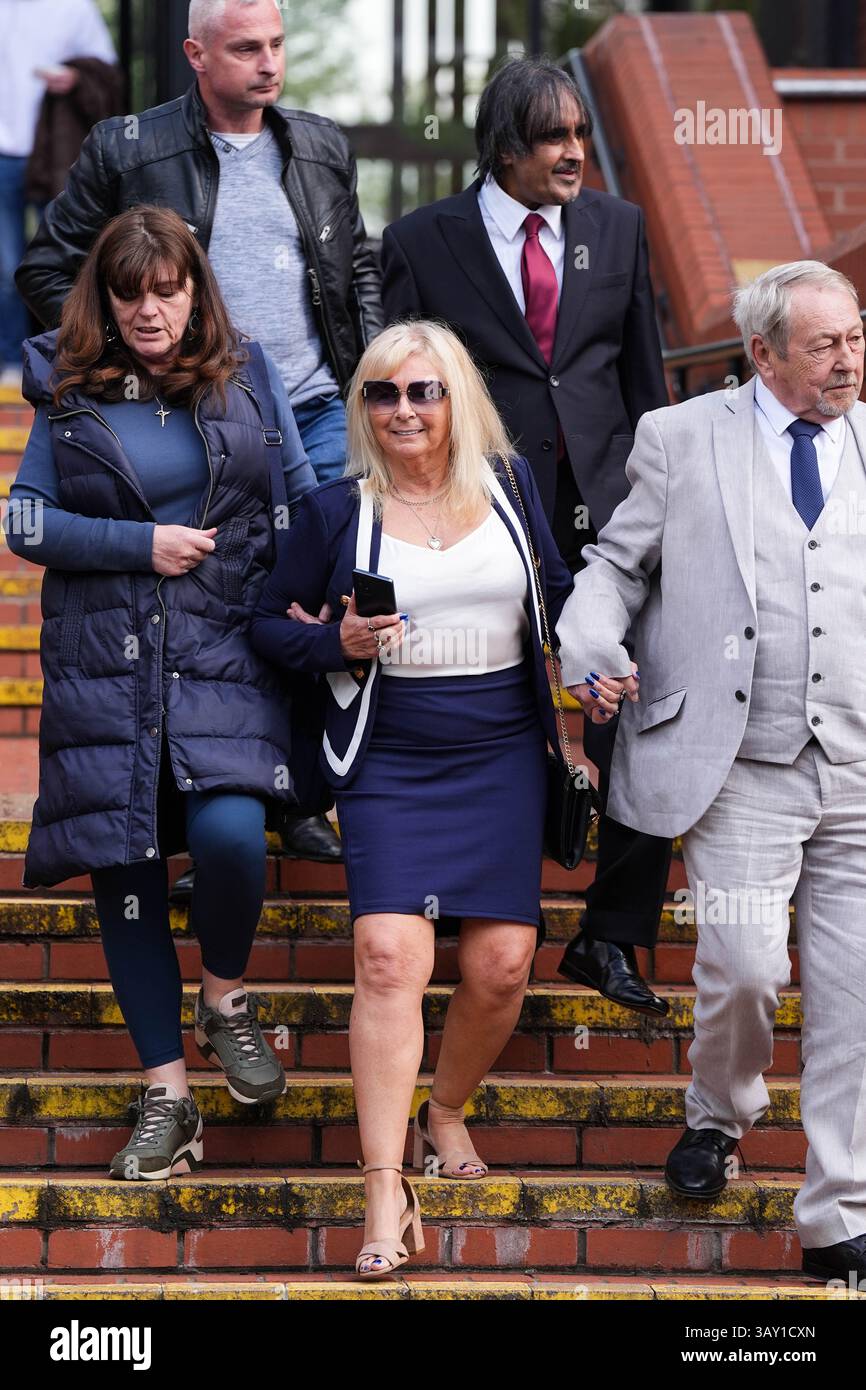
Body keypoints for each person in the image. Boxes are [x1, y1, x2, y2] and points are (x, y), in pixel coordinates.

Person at [555, 260, 866, 1285]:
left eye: (854, 337)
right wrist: (591, 644)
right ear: (762, 353)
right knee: (741, 967)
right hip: (740, 762)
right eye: (823, 345)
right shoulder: (680, 438)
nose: (846, 359)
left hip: (857, 765)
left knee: (852, 995)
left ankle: (835, 1214)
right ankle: (719, 1113)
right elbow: (614, 567)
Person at [16, 0, 385, 862]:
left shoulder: (322, 145)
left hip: (314, 407)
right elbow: (49, 263)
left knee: (303, 585)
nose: (269, 64)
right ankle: (194, 794)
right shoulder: (128, 147)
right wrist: (115, 365)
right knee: (209, 599)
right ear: (196, 54)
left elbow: (355, 264)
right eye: (246, 48)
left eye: (278, 45)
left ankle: (292, 788)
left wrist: (361, 368)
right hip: (187, 415)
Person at [249, 320, 574, 1277]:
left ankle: (446, 1108)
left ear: (456, 399)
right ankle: (383, 1189)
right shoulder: (334, 512)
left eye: (423, 391)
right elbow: (268, 622)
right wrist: (333, 646)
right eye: (383, 394)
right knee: (390, 957)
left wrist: (595, 674)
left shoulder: (511, 491)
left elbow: (559, 593)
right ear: (363, 409)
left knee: (505, 963)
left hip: (503, 749)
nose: (403, 410)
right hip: (391, 754)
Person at [2, 206, 318, 1180]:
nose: (148, 309)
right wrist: (142, 545)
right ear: (106, 296)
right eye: (128, 290)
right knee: (128, 878)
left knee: (229, 835)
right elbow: (25, 518)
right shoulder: (70, 390)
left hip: (226, 654)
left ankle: (223, 996)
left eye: (166, 289)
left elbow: (303, 500)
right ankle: (168, 1098)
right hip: (107, 665)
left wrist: (321, 597)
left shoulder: (248, 373)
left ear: (194, 290)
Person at [381, 54, 672, 1019]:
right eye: (554, 137)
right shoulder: (424, 240)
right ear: (505, 147)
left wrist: (662, 498)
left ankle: (613, 932)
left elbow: (643, 383)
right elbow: (397, 384)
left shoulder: (621, 230)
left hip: (606, 504)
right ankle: (470, 907)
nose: (574, 154)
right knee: (490, 698)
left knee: (631, 702)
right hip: (476, 506)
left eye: (582, 135)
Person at [0, 0, 117, 386]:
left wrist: (74, 79)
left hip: (54, 152)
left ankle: (68, 358)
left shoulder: (73, 8)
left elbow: (106, 72)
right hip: (3, 157)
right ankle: (13, 363)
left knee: (62, 262)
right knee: (5, 268)